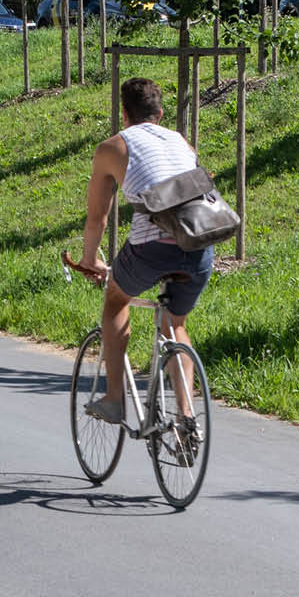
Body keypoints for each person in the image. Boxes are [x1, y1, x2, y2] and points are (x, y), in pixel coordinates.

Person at [66, 76, 206, 429]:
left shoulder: (113, 147)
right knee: (175, 323)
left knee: (116, 301)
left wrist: (90, 259)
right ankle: (187, 416)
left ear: (123, 113)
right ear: (159, 113)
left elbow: (97, 217)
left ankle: (114, 400)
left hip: (150, 248)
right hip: (200, 245)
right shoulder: (182, 143)